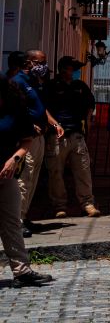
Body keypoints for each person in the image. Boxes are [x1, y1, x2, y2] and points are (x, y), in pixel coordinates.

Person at [0, 73, 54, 287]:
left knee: (12, 222)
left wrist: (14, 159)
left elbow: (26, 140)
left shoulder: (14, 111)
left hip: (7, 175)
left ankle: (22, 271)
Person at [10, 51, 62, 237]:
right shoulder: (18, 81)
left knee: (33, 178)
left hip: (40, 135)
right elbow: (14, 108)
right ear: (29, 62)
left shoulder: (34, 82)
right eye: (41, 62)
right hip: (27, 137)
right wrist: (29, 124)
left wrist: (53, 123)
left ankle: (24, 215)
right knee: (24, 177)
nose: (44, 66)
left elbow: (40, 106)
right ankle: (16, 220)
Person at [43, 56, 100, 218]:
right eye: (72, 68)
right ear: (63, 69)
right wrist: (55, 125)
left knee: (83, 170)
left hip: (77, 134)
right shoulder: (51, 86)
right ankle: (59, 205)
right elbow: (43, 109)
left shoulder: (80, 86)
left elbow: (90, 103)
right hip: (57, 136)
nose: (75, 71)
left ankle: (87, 203)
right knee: (56, 172)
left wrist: (88, 121)